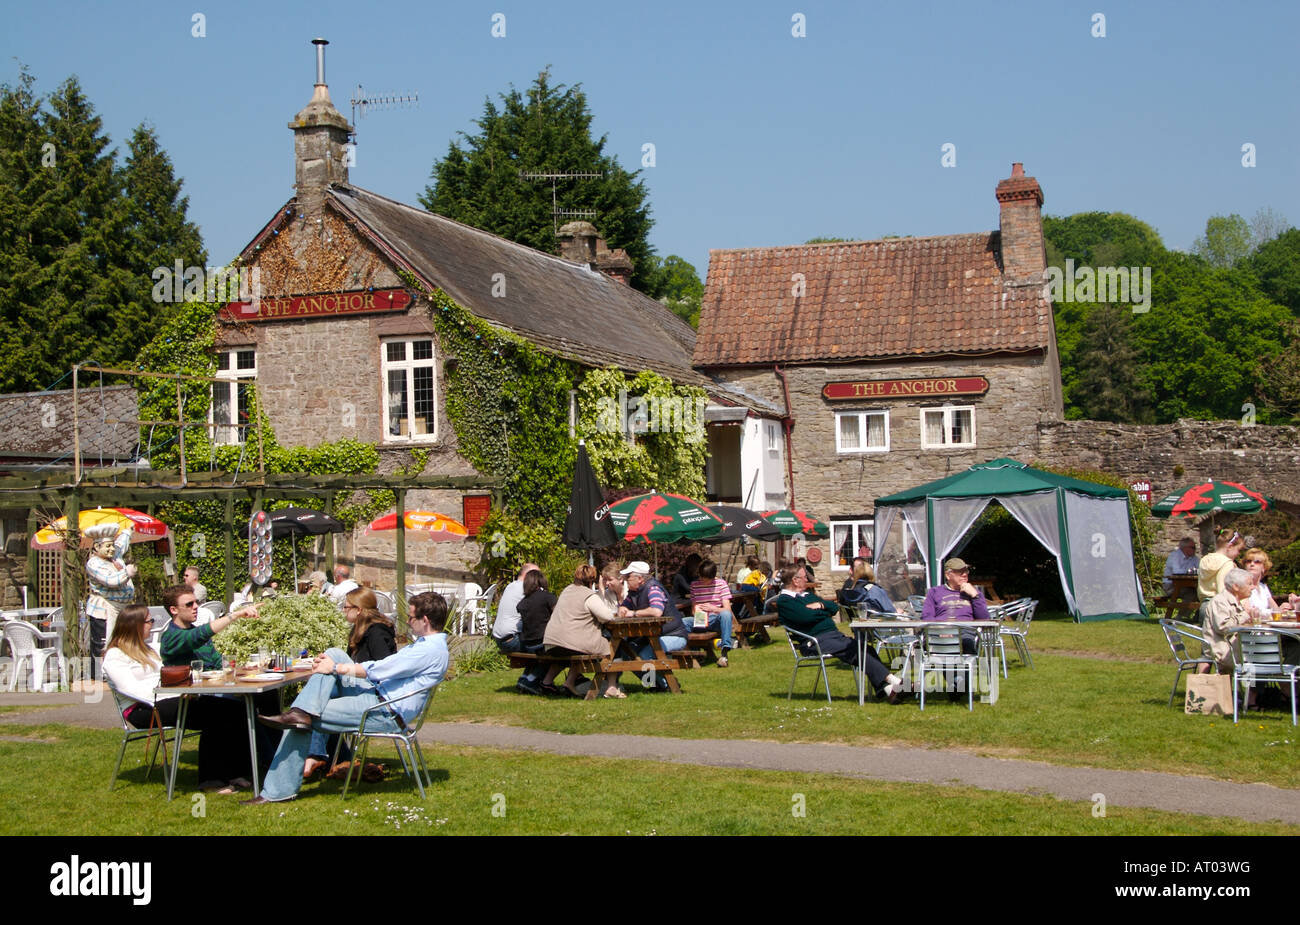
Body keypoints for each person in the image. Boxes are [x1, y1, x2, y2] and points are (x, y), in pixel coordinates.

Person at [243, 591, 450, 805]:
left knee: (304, 719)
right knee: (333, 653)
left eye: (411, 617)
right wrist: (335, 665)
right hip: (377, 697)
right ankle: (301, 712)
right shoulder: (426, 645)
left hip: (382, 711)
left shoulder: (429, 651)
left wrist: (337, 668)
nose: (407, 622)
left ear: (424, 621)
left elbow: (383, 668)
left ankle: (277, 790)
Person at [103, 604, 255, 794]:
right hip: (142, 709)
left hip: (167, 698)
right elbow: (131, 689)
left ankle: (234, 771)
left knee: (234, 708)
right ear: (135, 625)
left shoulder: (148, 650)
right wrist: (175, 694)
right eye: (149, 621)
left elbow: (164, 677)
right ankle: (211, 781)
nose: (152, 625)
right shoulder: (115, 656)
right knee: (214, 714)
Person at [303, 587, 398, 780]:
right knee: (325, 692)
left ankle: (316, 754)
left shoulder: (377, 632)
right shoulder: (359, 630)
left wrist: (344, 669)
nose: (344, 611)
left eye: (346, 607)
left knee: (326, 680)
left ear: (359, 609)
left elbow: (384, 669)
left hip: (374, 694)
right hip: (359, 685)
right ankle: (333, 756)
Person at [775, 564, 904, 701]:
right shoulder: (785, 601)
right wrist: (824, 613)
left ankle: (885, 690)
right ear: (795, 580)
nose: (807, 579)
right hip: (813, 642)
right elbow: (806, 617)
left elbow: (834, 607)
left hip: (833, 636)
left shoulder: (807, 595)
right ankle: (894, 682)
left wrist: (821, 605)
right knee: (856, 651)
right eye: (805, 577)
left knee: (866, 648)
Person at [540, 565, 621, 698]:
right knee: (609, 646)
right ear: (591, 581)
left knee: (570, 648)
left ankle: (548, 682)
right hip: (571, 643)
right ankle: (609, 686)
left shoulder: (566, 591)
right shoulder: (588, 595)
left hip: (551, 642)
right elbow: (607, 616)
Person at [160, 584, 259, 670]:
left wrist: (244, 668)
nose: (196, 606)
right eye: (189, 604)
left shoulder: (199, 635)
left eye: (196, 602)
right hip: (188, 690)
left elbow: (218, 663)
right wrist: (235, 615)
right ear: (174, 610)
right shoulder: (170, 638)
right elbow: (199, 634)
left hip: (212, 687)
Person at [619, 561, 690, 675]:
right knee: (628, 652)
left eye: (628, 576)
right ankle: (654, 684)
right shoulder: (634, 592)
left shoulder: (653, 588)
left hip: (673, 635)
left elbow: (657, 611)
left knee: (644, 655)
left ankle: (664, 685)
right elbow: (623, 607)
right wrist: (622, 608)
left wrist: (633, 613)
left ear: (640, 578)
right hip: (654, 635)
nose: (625, 579)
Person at [84, 523, 137, 658]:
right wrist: (127, 573)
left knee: (123, 644)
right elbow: (111, 580)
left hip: (121, 608)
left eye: (112, 545)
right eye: (108, 546)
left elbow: (121, 545)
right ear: (97, 547)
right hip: (106, 610)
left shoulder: (114, 556)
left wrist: (127, 532)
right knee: (105, 647)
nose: (112, 549)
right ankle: (100, 676)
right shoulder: (94, 563)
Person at [920, 558, 989, 655]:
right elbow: (927, 617)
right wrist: (940, 631)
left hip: (965, 632)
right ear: (948, 575)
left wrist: (975, 596)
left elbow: (984, 619)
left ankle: (962, 669)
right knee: (935, 642)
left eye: (966, 571)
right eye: (960, 572)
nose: (965, 574)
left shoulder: (974, 593)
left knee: (966, 642)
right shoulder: (934, 592)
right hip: (939, 631)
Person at [1200, 568, 1253, 675]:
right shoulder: (1220, 601)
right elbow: (1223, 627)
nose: (1253, 587)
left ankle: (1251, 690)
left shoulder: (1235, 601)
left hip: (1233, 648)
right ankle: (1252, 691)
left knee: (1263, 652)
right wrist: (1246, 614)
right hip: (1223, 651)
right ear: (1236, 587)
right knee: (1259, 657)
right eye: (1249, 584)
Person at [515, 568, 558, 695]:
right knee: (558, 653)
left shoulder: (522, 602)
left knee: (534, 659)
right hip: (542, 642)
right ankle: (531, 680)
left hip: (527, 643)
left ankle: (524, 678)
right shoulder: (547, 597)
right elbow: (559, 615)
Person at [689, 558, 735, 667]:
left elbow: (727, 609)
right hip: (700, 619)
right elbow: (693, 607)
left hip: (715, 619)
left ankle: (724, 650)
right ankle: (691, 652)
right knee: (682, 622)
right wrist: (696, 611)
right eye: (699, 576)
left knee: (726, 614)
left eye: (703, 578)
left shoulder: (721, 584)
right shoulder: (694, 585)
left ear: (712, 577)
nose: (700, 579)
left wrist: (713, 609)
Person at [491, 562, 538, 654]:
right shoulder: (525, 588)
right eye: (536, 575)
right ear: (528, 575)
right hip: (513, 640)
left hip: (500, 639)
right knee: (549, 650)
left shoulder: (510, 586)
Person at [1241, 548, 1298, 620]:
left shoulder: (1263, 587)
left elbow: (1276, 609)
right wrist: (1277, 611)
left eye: (1257, 562)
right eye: (1248, 561)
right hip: (1252, 628)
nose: (1252, 564)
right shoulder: (1242, 586)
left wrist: (1288, 606)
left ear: (1264, 568)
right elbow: (1248, 611)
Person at [1197, 529, 1245, 601]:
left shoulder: (1204, 559)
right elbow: (1223, 589)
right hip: (1219, 605)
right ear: (1230, 546)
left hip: (1204, 604)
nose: (1239, 554)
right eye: (1239, 550)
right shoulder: (1226, 564)